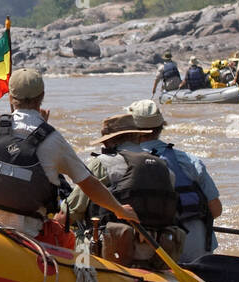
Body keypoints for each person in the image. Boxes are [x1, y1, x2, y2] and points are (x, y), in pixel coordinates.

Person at [0, 68, 139, 245]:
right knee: (72, 242)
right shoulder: (53, 139)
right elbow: (89, 184)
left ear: (11, 98)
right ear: (42, 97)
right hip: (29, 234)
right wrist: (119, 209)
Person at [61, 113, 185, 268]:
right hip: (156, 253)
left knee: (70, 226)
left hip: (112, 250)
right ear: (138, 137)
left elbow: (68, 213)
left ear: (108, 141)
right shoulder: (164, 167)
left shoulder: (102, 164)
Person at [125, 99, 222, 263]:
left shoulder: (120, 161)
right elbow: (216, 210)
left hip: (149, 252)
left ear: (129, 130)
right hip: (196, 251)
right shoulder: (189, 161)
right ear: (161, 126)